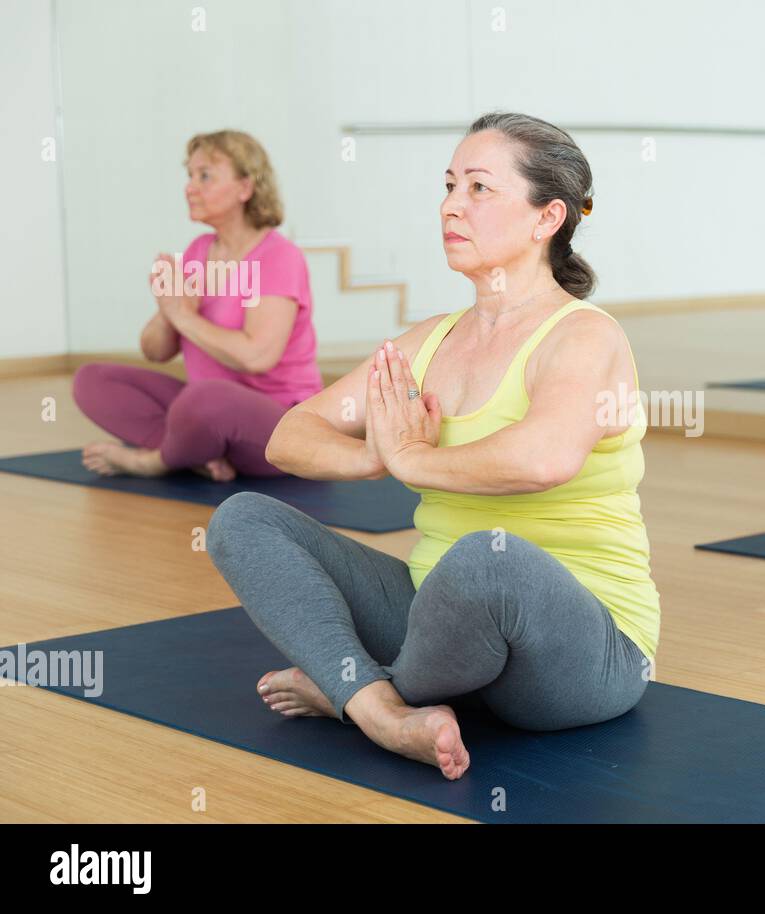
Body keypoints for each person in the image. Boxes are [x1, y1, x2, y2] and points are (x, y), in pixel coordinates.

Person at [207, 112, 660, 781]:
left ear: (547, 218)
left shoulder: (584, 336)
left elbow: (544, 458)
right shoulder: (430, 342)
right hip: (440, 626)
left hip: (582, 651)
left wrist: (413, 459)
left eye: (479, 188)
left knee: (490, 559)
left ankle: (348, 689)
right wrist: (371, 455)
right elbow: (290, 435)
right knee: (242, 520)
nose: (451, 205)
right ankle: (381, 710)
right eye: (448, 186)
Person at [75, 130, 321, 481]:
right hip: (209, 410)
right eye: (189, 176)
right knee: (92, 380)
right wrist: (167, 310)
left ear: (245, 188)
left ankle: (154, 461)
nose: (190, 187)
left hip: (280, 424)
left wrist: (182, 314)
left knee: (204, 399)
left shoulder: (279, 256)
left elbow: (256, 356)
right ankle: (194, 453)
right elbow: (155, 352)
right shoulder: (199, 251)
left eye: (205, 175)